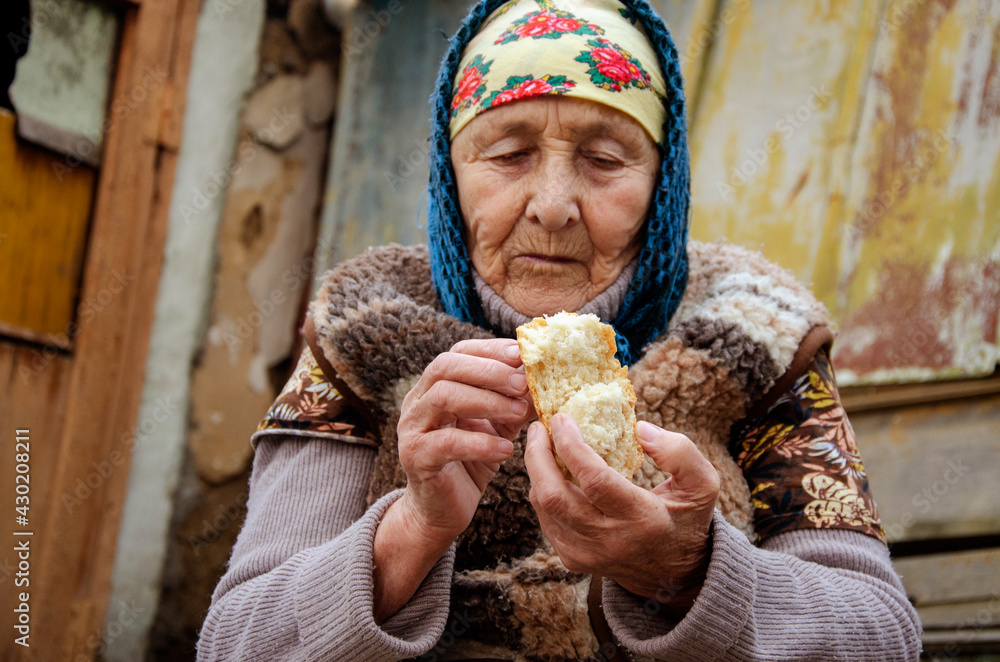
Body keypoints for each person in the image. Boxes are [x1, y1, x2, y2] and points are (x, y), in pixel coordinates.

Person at [198, 0, 922, 659]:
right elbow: (238, 643)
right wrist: (412, 532)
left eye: (605, 160)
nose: (552, 204)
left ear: (663, 182)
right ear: (451, 172)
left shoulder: (751, 331)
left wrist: (686, 573)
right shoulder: (363, 329)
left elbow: (880, 634)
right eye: (508, 154)